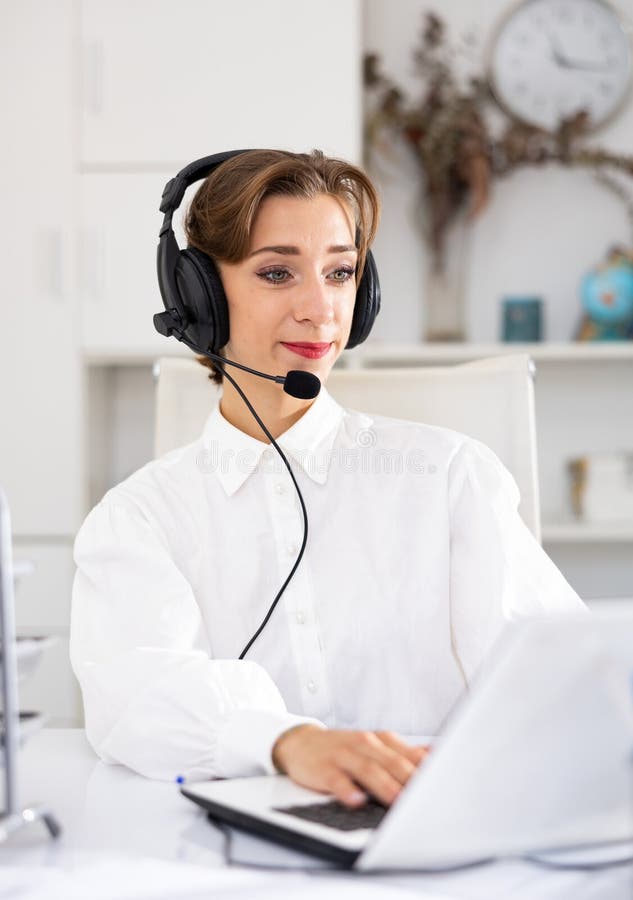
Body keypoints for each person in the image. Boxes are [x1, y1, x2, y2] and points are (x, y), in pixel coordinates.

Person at [70, 149, 584, 810]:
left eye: (340, 272)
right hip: (231, 845)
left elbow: (563, 683)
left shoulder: (451, 478)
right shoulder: (140, 518)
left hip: (442, 826)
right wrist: (287, 743)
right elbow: (135, 695)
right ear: (198, 298)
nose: (320, 310)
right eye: (277, 272)